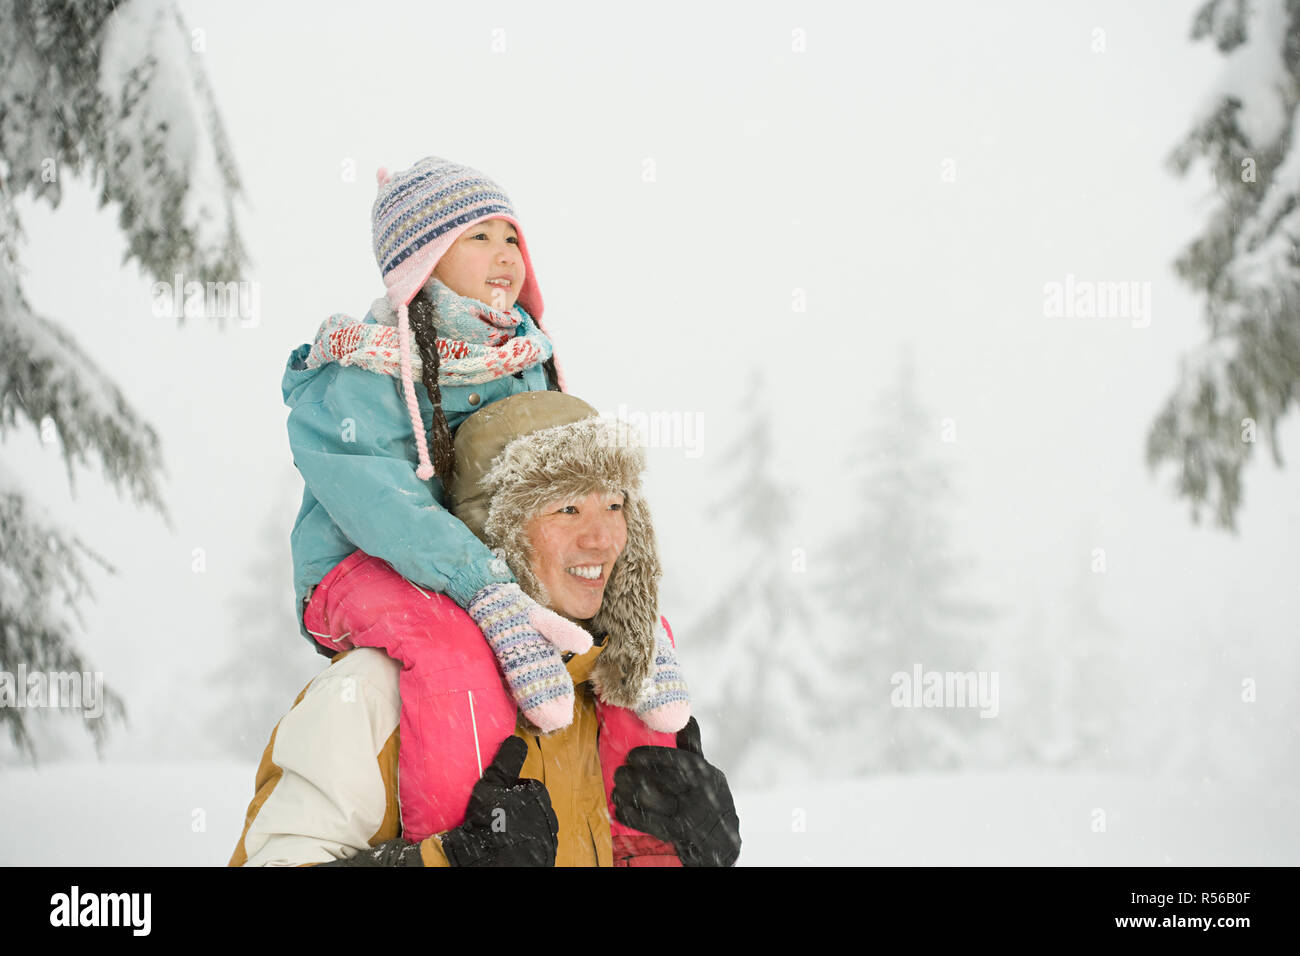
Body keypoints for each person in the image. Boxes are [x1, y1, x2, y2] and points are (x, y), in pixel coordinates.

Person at [282, 157, 690, 835]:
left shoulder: (520, 357)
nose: (506, 256)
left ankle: (647, 835)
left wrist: (624, 582)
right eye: (479, 237)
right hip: (360, 566)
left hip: (481, 564)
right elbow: (379, 503)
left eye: (512, 238)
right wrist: (483, 586)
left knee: (628, 632)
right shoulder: (361, 367)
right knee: (453, 646)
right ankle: (471, 836)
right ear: (422, 259)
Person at [230, 392, 740, 866]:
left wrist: (694, 853)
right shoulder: (373, 692)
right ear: (494, 530)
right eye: (567, 508)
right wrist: (443, 861)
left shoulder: (616, 689)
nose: (603, 538)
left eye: (614, 505)